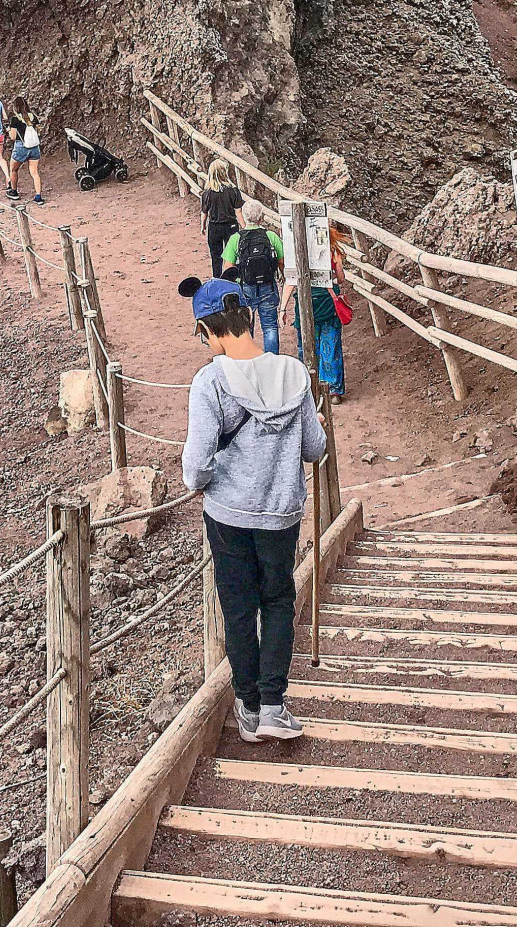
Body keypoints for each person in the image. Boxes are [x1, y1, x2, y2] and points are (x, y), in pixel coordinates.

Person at [178, 276, 324, 744]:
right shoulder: (292, 372)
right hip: (281, 511)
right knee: (278, 601)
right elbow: (314, 447)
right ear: (248, 320)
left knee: (238, 606)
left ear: (210, 330)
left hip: (229, 513)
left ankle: (248, 707)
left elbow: (195, 467)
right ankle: (275, 707)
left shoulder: (209, 382)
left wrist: (201, 483)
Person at [282, 223, 349, 400]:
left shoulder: (298, 253)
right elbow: (340, 278)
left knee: (307, 345)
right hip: (327, 303)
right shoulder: (333, 251)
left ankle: (311, 385)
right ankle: (333, 389)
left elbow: (290, 281)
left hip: (305, 304)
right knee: (330, 345)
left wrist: (282, 308)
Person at [221, 201, 284, 355]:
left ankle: (248, 358)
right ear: (261, 216)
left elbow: (227, 267)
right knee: (270, 326)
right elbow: (282, 261)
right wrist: (282, 275)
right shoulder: (271, 237)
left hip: (245, 287)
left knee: (246, 327)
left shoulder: (236, 239)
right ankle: (271, 360)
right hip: (268, 286)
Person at [200, 161, 245, 276]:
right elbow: (238, 211)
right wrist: (244, 226)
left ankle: (217, 279)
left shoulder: (207, 193)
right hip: (231, 226)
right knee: (233, 256)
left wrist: (203, 226)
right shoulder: (233, 190)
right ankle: (235, 279)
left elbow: (204, 212)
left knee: (216, 257)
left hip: (215, 227)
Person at [7, 99, 46, 204]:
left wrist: (9, 131)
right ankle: (38, 196)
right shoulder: (33, 117)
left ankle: (14, 191)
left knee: (13, 170)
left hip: (21, 146)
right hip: (34, 147)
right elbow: (38, 130)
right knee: (34, 172)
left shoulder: (15, 119)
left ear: (15, 107)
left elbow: (13, 137)